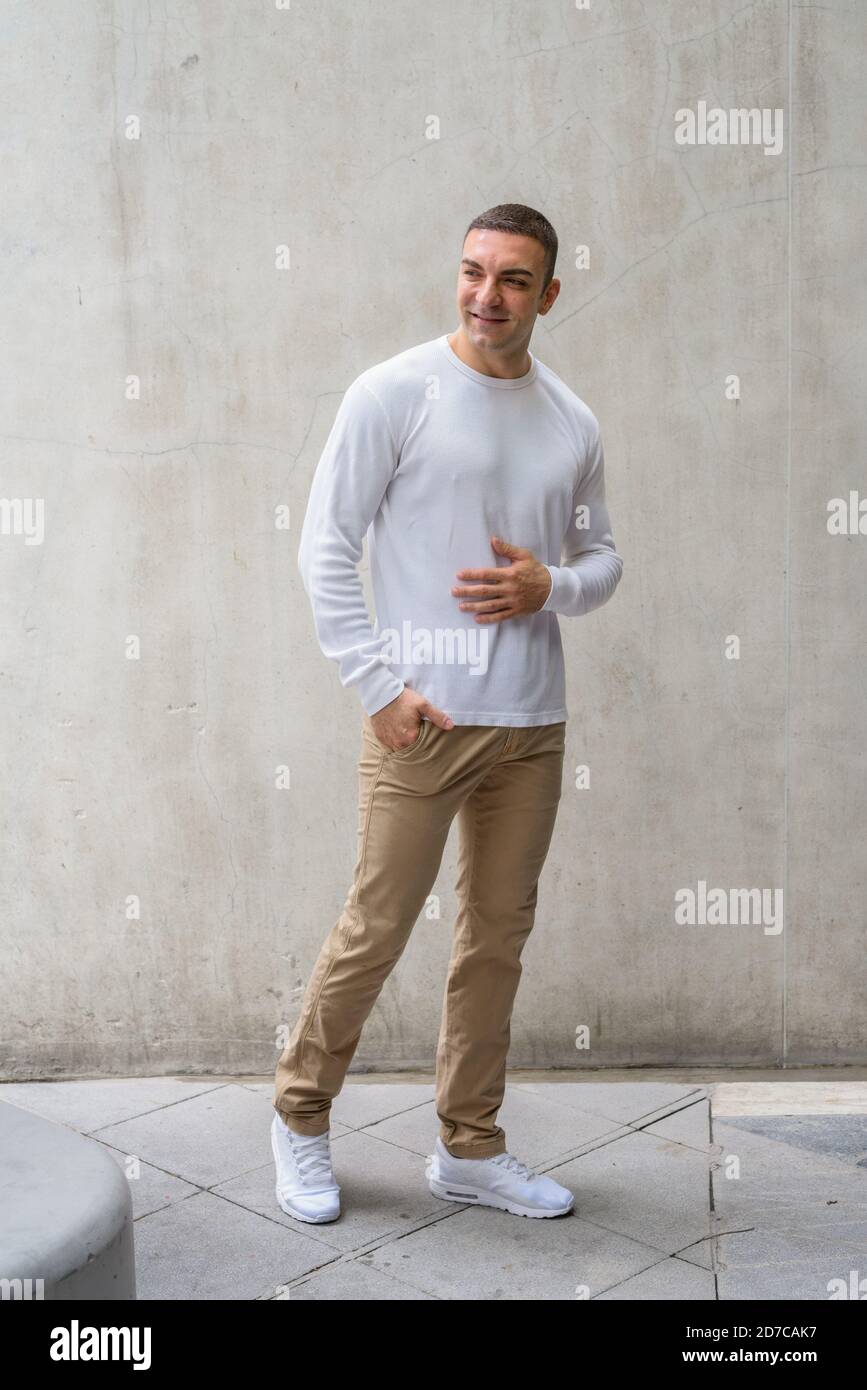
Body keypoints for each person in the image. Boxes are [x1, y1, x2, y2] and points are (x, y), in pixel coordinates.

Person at [271, 203, 623, 1224]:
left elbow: (604, 561)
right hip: (419, 719)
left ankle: (470, 1147)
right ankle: (298, 1117)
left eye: (515, 280)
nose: (488, 296)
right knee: (376, 927)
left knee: (494, 941)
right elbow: (324, 548)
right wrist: (377, 686)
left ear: (548, 295)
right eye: (473, 271)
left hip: (531, 727)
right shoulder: (394, 392)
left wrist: (546, 586)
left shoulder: (572, 420)